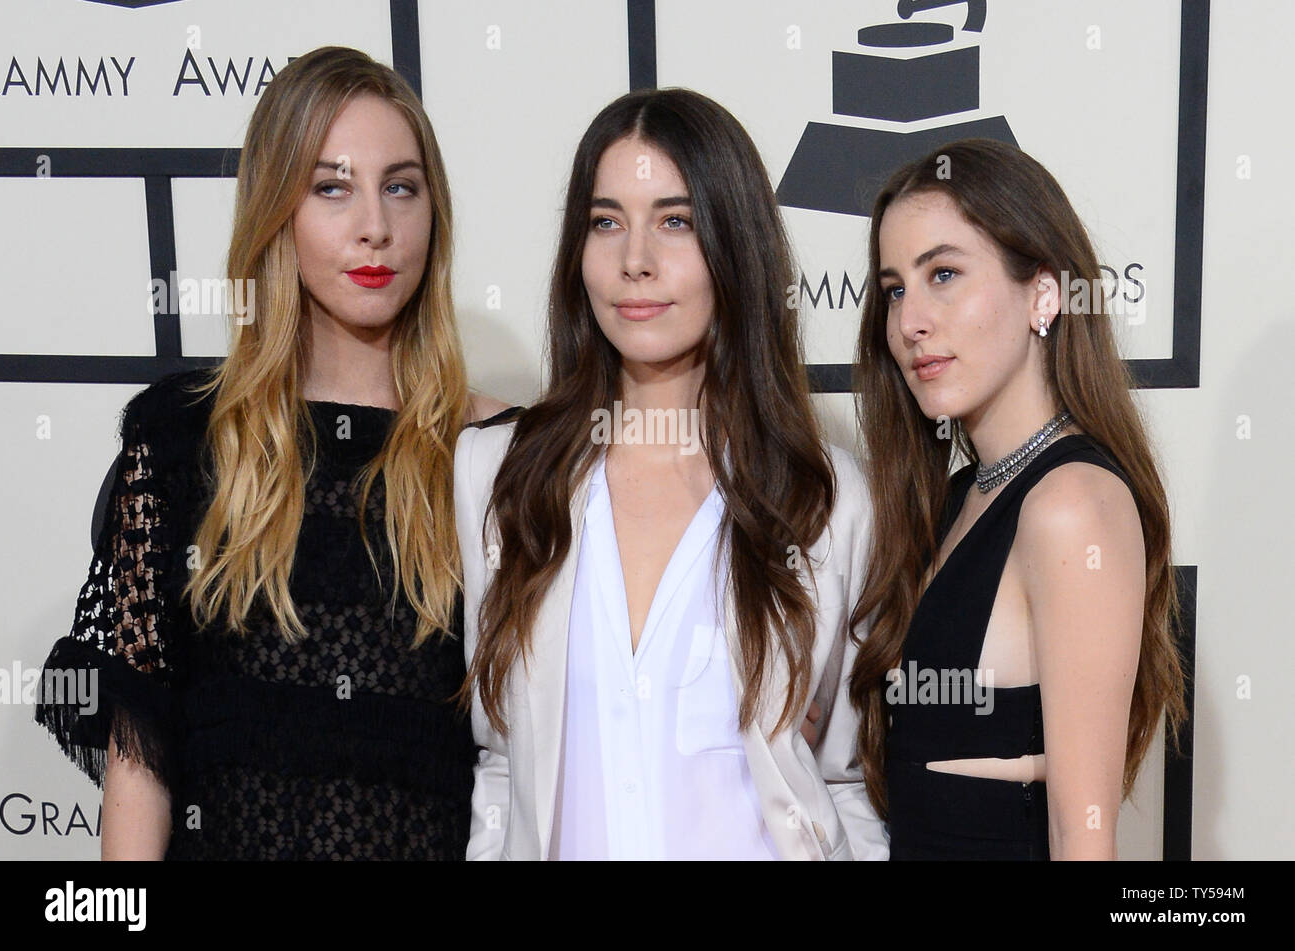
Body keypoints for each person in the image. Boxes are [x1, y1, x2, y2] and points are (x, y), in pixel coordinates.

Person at [34, 46, 508, 860]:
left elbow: (530, 762)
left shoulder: (499, 452)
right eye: (332, 187)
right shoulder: (182, 438)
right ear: (276, 212)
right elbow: (138, 758)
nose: (376, 225)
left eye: (402, 186)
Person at [454, 87, 888, 860]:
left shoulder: (824, 498)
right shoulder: (501, 475)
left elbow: (841, 778)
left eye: (675, 222)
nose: (635, 261)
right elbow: (500, 758)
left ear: (735, 246)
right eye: (606, 221)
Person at [847, 138, 1187, 859]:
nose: (910, 322)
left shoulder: (1073, 505)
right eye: (895, 288)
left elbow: (1082, 837)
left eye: (943, 273)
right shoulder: (954, 497)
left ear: (1043, 293)